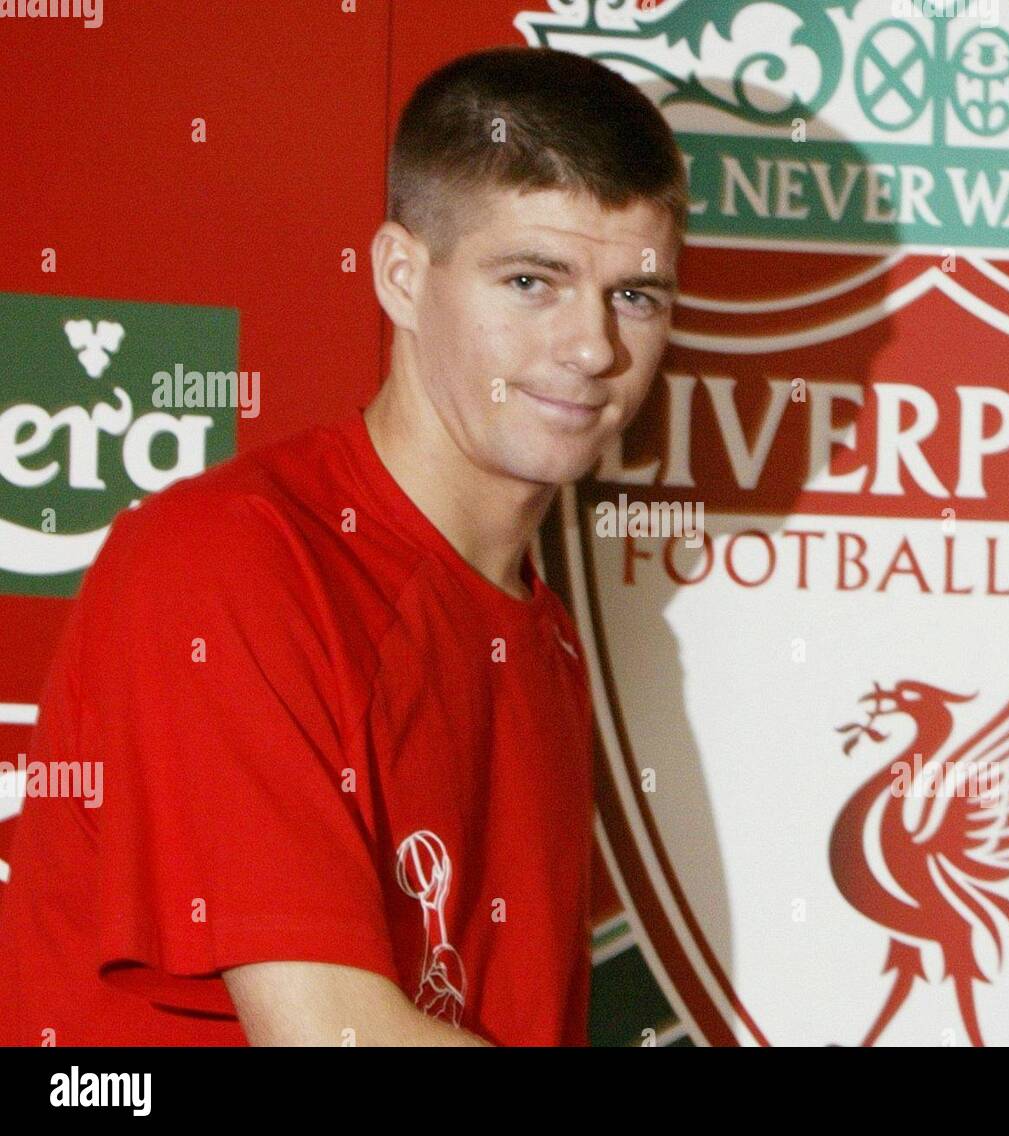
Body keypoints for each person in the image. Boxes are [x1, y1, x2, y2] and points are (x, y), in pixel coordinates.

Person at [0, 45, 686, 1046]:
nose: (591, 347)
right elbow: (331, 1035)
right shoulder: (227, 562)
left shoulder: (541, 638)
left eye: (635, 294)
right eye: (533, 280)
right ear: (402, 277)